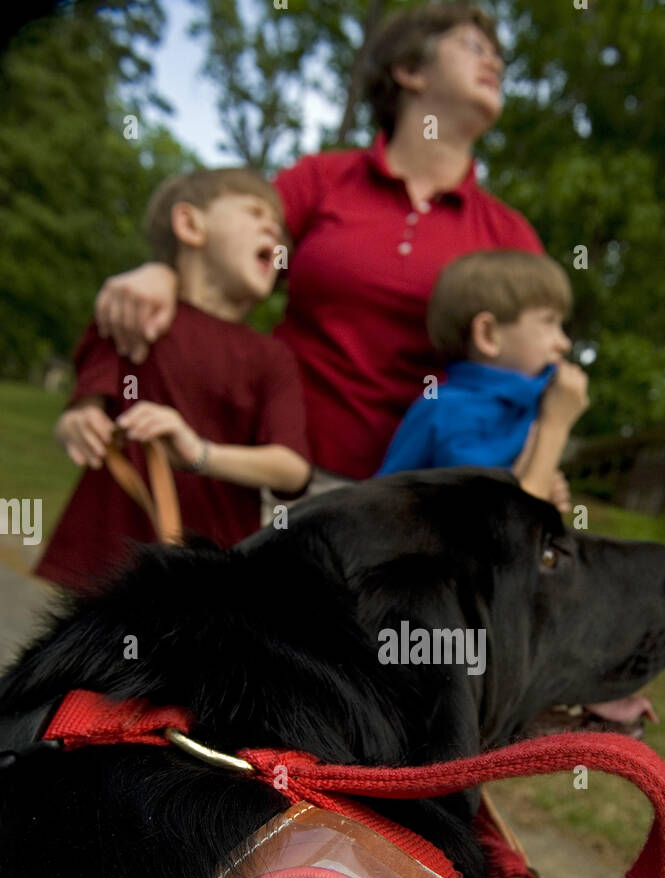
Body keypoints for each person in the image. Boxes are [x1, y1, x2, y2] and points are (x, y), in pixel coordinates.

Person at [91, 4, 550, 487]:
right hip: (270, 473)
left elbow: (534, 376)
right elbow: (227, 255)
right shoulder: (322, 181)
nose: (495, 64)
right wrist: (163, 272)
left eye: (500, 56)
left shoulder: (508, 237)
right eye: (475, 48)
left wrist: (543, 458)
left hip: (415, 505)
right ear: (410, 70)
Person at [39, 168, 311, 591]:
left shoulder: (272, 358)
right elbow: (80, 410)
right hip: (104, 568)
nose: (273, 228)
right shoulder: (131, 318)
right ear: (189, 225)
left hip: (209, 575)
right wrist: (77, 423)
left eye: (278, 226)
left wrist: (200, 453)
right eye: (256, 212)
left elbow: (292, 470)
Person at [376, 249, 589, 505]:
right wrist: (554, 426)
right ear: (488, 335)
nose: (563, 343)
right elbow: (512, 521)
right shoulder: (444, 411)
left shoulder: (530, 408)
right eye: (549, 322)